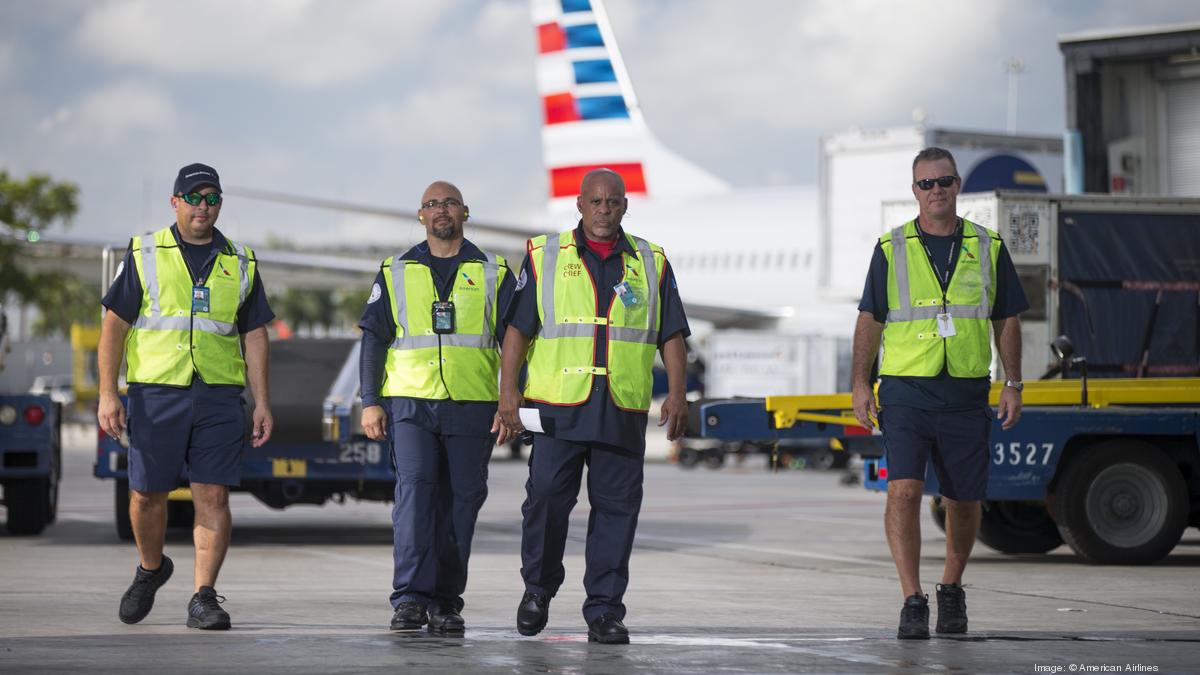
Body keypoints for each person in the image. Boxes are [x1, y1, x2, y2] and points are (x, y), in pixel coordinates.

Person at [498, 168, 690, 645]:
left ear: (625, 206)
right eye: (596, 202)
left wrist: (678, 393)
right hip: (558, 408)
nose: (605, 210)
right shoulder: (544, 256)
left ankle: (604, 610)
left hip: (620, 408)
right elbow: (518, 330)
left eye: (613, 202)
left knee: (617, 513)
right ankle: (537, 591)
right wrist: (508, 392)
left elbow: (670, 333)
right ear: (580, 205)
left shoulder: (651, 261)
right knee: (546, 501)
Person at [851, 147, 1028, 639]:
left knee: (963, 500)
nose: (936, 191)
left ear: (957, 186)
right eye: (926, 183)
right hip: (906, 389)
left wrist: (1013, 383)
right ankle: (912, 599)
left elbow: (1006, 317)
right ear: (914, 190)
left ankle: (951, 587)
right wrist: (860, 382)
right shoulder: (891, 248)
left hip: (966, 390)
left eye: (944, 181)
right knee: (904, 491)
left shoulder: (988, 245)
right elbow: (870, 319)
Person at [97, 162, 275, 630]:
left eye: (212, 198)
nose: (203, 206)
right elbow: (114, 326)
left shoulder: (241, 261)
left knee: (213, 495)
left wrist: (262, 401)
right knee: (146, 496)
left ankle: (204, 597)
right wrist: (107, 393)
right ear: (175, 202)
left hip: (218, 395)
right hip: (156, 393)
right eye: (194, 198)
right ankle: (151, 568)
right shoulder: (145, 253)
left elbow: (255, 333)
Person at [358, 181, 516, 634]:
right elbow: (374, 340)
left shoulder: (495, 271)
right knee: (415, 496)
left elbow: (516, 341)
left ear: (465, 211)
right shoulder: (395, 270)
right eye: (432, 204)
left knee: (462, 503)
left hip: (473, 403)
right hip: (411, 403)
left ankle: (446, 601)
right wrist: (370, 402)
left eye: (449, 203)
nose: (441, 210)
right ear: (420, 215)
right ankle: (410, 598)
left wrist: (512, 400)